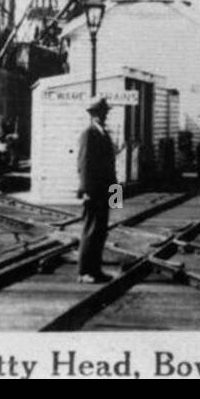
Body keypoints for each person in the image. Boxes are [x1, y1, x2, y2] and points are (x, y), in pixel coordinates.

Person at [76, 95, 117, 283]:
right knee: (91, 230)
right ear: (92, 114)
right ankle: (84, 272)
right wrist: (86, 190)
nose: (103, 116)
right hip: (94, 191)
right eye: (100, 113)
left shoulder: (104, 134)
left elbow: (111, 166)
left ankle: (96, 270)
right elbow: (83, 164)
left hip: (106, 191)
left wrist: (116, 196)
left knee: (101, 231)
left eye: (105, 112)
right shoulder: (89, 134)